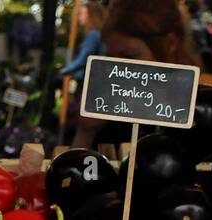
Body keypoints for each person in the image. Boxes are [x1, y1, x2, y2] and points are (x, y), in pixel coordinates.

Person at [73, 0, 201, 147]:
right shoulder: (108, 109)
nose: (118, 70)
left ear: (170, 46)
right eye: (111, 58)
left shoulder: (195, 111)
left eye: (129, 56)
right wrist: (86, 130)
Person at [61, 2, 106, 81]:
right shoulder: (99, 33)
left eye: (82, 14)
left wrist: (64, 71)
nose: (79, 18)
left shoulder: (93, 35)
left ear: (91, 16)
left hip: (90, 79)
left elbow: (83, 59)